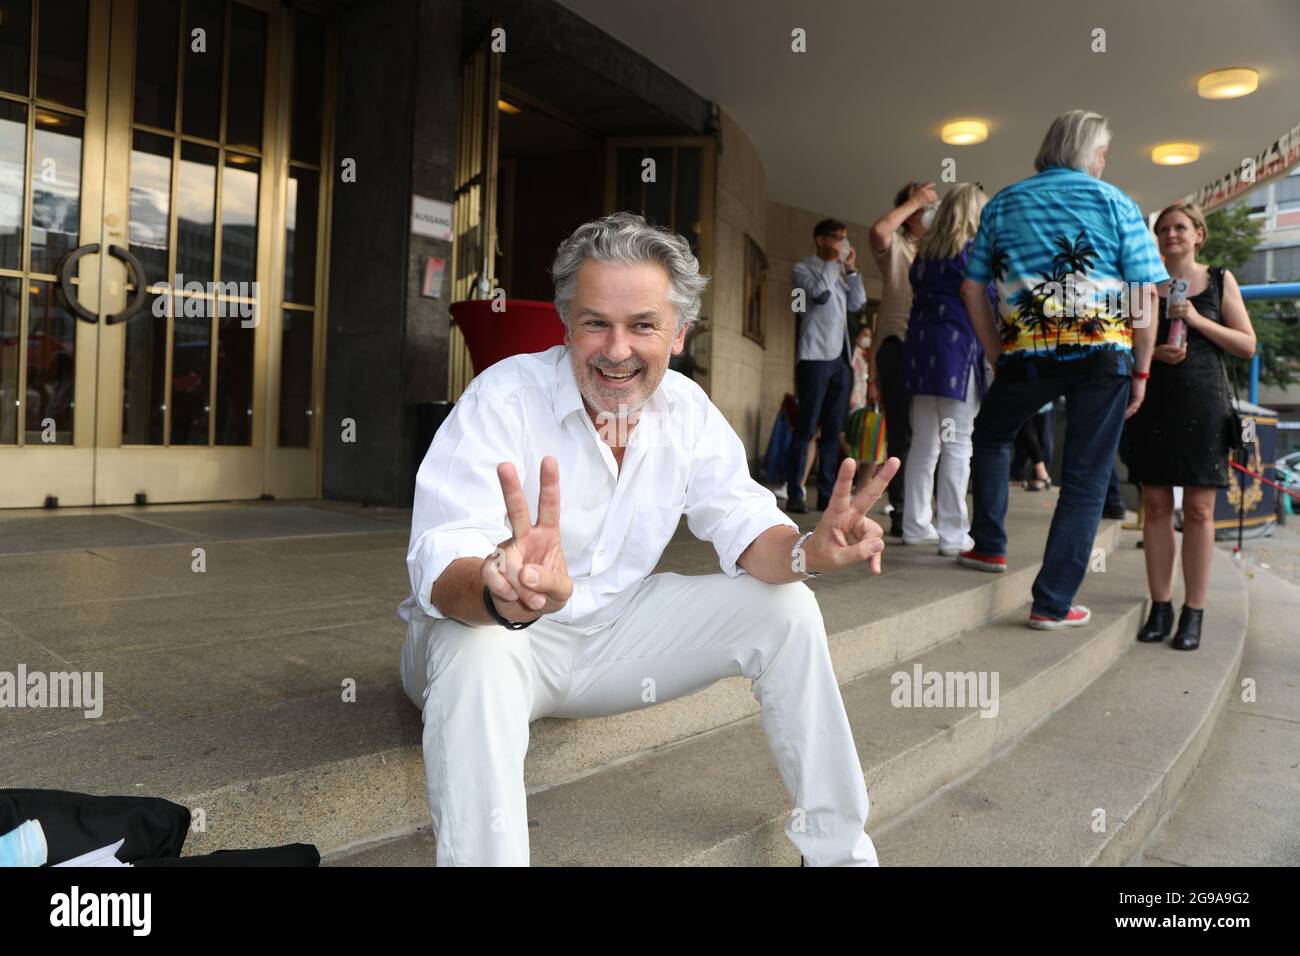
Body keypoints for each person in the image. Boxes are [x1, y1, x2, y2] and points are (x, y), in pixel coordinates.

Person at [398, 211, 902, 866]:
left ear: (679, 332)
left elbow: (747, 525)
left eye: (642, 325)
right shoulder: (503, 398)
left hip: (611, 637)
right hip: (488, 639)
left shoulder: (686, 411)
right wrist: (499, 589)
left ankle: (838, 853)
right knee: (479, 656)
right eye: (595, 323)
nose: (616, 349)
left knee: (788, 606)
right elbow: (440, 558)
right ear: (566, 325)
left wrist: (809, 550)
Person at [957, 109, 1167, 630]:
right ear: (1091, 153)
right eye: (1104, 152)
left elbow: (970, 286)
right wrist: (1142, 369)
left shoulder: (1004, 202)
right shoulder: (1118, 202)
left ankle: (988, 546)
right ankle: (1051, 603)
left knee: (991, 436)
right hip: (1103, 357)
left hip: (1026, 357)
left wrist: (993, 351)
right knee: (1085, 480)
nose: (1105, 161)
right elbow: (1145, 295)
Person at [1127, 203, 1256, 650]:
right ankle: (1160, 606)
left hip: (1205, 401)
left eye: (1179, 226)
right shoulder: (1142, 286)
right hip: (1155, 401)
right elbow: (1124, 345)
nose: (1170, 234)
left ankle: (1194, 611)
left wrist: (1197, 320)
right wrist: (1150, 354)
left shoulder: (1220, 279)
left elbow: (1247, 344)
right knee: (1157, 505)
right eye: (1162, 229)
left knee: (1200, 510)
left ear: (1198, 234)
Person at [899, 183, 993, 555]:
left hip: (921, 353)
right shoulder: (973, 252)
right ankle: (954, 535)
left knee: (923, 444)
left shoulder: (925, 254)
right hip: (958, 352)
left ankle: (915, 525)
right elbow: (988, 301)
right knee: (957, 444)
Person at [869, 181, 938, 536]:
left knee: (933, 434)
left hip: (933, 347)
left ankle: (922, 512)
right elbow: (880, 230)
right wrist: (914, 200)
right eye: (925, 205)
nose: (931, 207)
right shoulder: (896, 246)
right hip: (898, 345)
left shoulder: (937, 250)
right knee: (902, 432)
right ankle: (901, 510)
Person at [786, 219, 864, 513]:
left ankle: (827, 494)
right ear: (820, 239)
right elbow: (819, 295)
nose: (842, 243)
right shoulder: (803, 267)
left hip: (841, 361)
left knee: (833, 432)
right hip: (814, 358)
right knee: (806, 428)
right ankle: (796, 491)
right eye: (837, 238)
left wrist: (852, 271)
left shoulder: (841, 273)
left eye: (845, 238)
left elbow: (858, 304)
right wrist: (833, 264)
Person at [842, 325, 886, 493]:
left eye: (869, 336)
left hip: (870, 408)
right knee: (855, 445)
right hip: (854, 405)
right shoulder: (853, 353)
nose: (866, 339)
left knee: (872, 448)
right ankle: (852, 484)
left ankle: (862, 487)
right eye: (864, 335)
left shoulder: (871, 358)